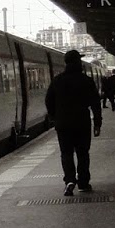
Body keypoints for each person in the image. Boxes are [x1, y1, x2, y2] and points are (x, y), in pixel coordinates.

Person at [45, 50, 103, 195]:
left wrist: (54, 117)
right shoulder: (86, 81)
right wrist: (97, 123)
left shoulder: (57, 81)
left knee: (66, 153)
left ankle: (69, 180)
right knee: (83, 153)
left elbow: (48, 101)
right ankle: (83, 183)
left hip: (63, 124)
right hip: (82, 122)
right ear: (78, 62)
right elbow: (95, 103)